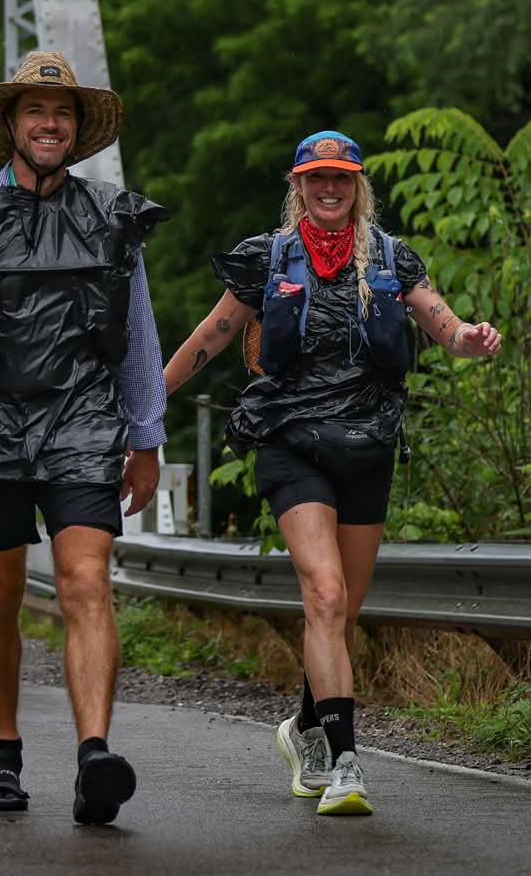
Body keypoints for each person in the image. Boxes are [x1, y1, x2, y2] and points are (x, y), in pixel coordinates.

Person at [162, 130, 500, 816]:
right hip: (291, 440)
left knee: (342, 612)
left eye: (341, 179)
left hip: (368, 443)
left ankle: (304, 728)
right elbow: (213, 336)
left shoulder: (392, 259)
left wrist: (470, 339)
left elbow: (446, 325)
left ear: (357, 187)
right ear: (298, 186)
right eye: (316, 178)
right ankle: (346, 763)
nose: (329, 189)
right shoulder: (268, 258)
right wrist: (144, 405)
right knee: (324, 594)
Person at [0, 50, 168, 826]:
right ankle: (3, 752)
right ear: (10, 125)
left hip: (82, 424)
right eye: (36, 112)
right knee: (0, 592)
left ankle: (93, 756)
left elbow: (139, 336)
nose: (50, 124)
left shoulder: (113, 219)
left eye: (64, 114)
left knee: (85, 581)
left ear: (78, 131)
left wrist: (145, 437)